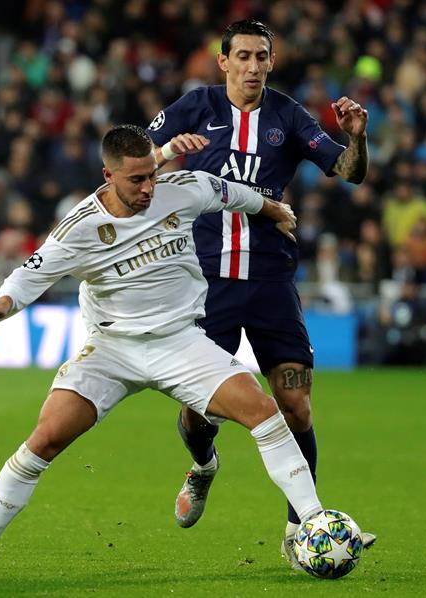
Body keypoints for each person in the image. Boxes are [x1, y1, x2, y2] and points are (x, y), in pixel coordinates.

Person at [0, 124, 335, 570]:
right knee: (44, 439)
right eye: (137, 180)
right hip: (111, 349)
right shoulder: (81, 228)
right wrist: (2, 304)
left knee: (265, 413)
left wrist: (275, 209)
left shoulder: (182, 189)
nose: (149, 187)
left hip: (180, 342)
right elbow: (32, 273)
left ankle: (316, 526)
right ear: (108, 177)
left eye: (152, 175)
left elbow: (233, 194)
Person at [145, 19, 375, 567]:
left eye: (261, 57)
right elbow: (125, 165)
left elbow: (350, 172)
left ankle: (301, 528)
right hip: (205, 286)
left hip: (272, 281)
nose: (252, 66)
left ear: (272, 62)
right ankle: (203, 468)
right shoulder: (192, 107)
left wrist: (357, 138)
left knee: (295, 403)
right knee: (200, 415)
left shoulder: (288, 116)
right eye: (242, 56)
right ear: (223, 61)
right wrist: (162, 154)